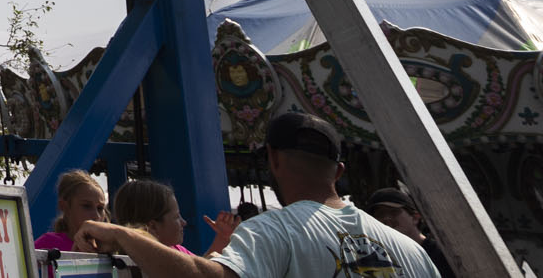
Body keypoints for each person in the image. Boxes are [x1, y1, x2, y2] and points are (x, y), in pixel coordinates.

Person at [73, 112, 439, 277]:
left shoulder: (272, 231)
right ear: (338, 171)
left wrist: (123, 233)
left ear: (274, 160)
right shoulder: (412, 252)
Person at [363, 189, 455, 278]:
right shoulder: (380, 263)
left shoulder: (444, 254)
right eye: (379, 215)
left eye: (393, 212)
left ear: (415, 218)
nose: (386, 218)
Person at [33, 170, 108, 252]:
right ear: (64, 206)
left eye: (100, 208)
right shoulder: (46, 244)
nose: (96, 216)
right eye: (87, 206)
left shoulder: (107, 248)